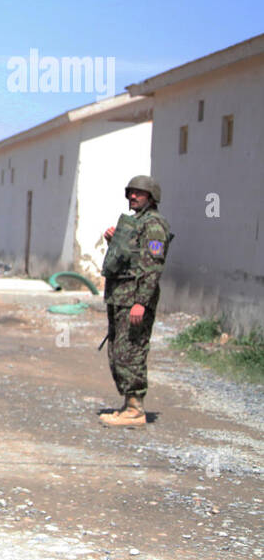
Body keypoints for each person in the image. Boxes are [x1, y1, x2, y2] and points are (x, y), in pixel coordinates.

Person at [99, 175, 173, 428]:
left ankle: (135, 409)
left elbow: (153, 265)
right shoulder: (137, 222)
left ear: (151, 197)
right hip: (121, 297)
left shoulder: (154, 225)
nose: (133, 196)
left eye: (139, 193)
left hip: (134, 300)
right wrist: (114, 241)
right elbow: (131, 256)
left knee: (131, 351)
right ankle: (129, 404)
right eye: (131, 192)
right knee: (119, 352)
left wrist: (141, 301)